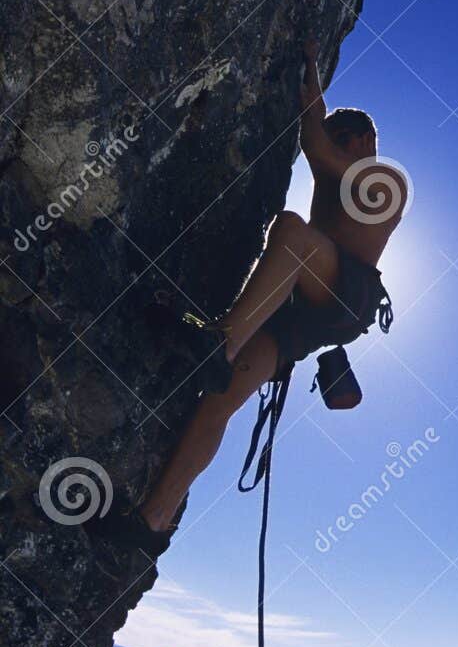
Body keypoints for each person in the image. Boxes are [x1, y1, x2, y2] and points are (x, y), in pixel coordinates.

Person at [101, 41, 405, 558]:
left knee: (291, 229)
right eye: (359, 141)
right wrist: (311, 77)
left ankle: (219, 343)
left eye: (362, 141)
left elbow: (314, 140)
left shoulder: (383, 180)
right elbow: (317, 129)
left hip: (346, 295)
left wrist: (311, 72)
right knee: (218, 402)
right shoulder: (337, 167)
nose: (364, 149)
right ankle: (151, 524)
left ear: (362, 141)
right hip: (302, 316)